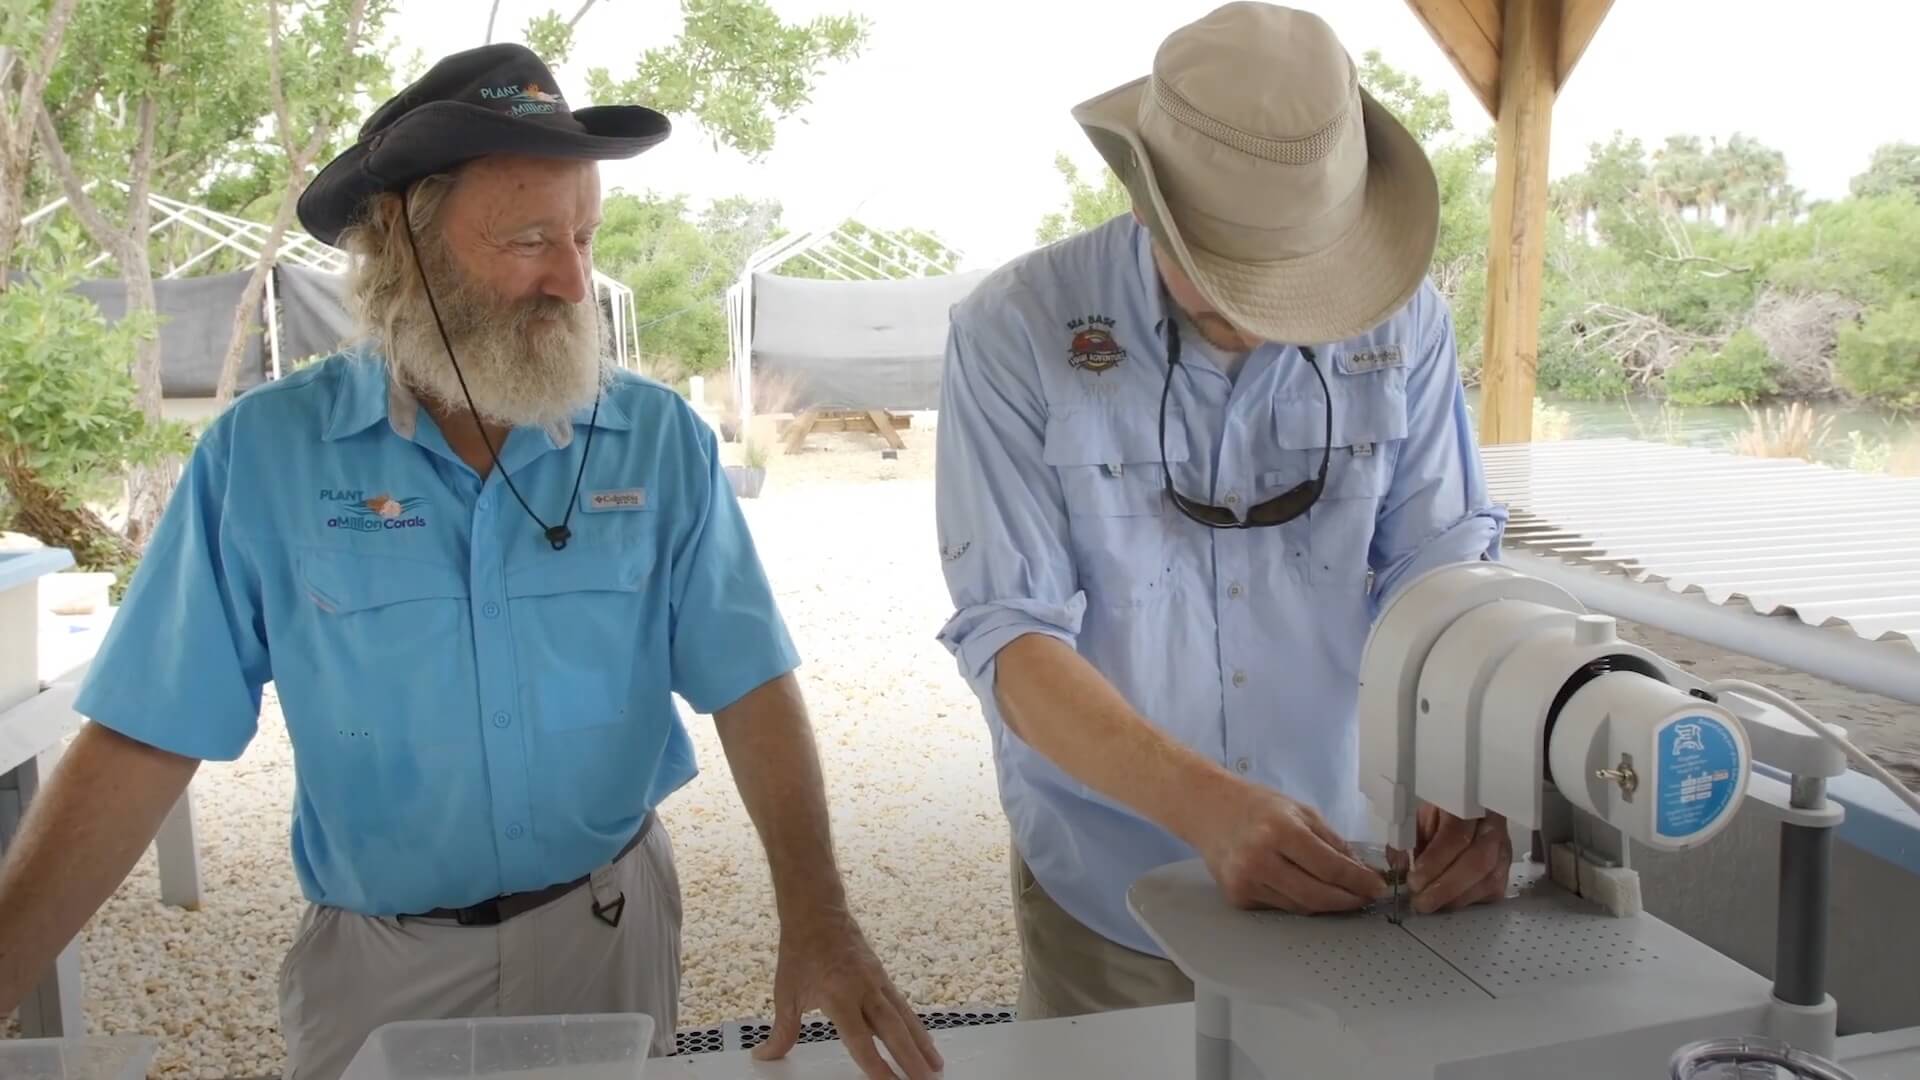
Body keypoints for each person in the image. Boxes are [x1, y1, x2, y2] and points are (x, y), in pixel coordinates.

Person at [0, 44, 941, 1080]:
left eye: (584, 236)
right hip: (380, 966)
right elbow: (146, 734)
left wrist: (820, 914)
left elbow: (750, 682)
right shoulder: (264, 456)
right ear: (402, 246)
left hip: (611, 933)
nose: (572, 281)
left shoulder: (657, 441)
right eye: (530, 240)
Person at [933, 2, 1514, 1021]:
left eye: (1298, 282)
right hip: (1116, 885)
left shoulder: (1408, 323)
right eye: (1223, 276)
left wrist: (1471, 770)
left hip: (1356, 861)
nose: (1258, 313)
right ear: (1144, 199)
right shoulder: (1013, 329)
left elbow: (1443, 566)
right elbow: (1010, 636)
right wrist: (1204, 807)